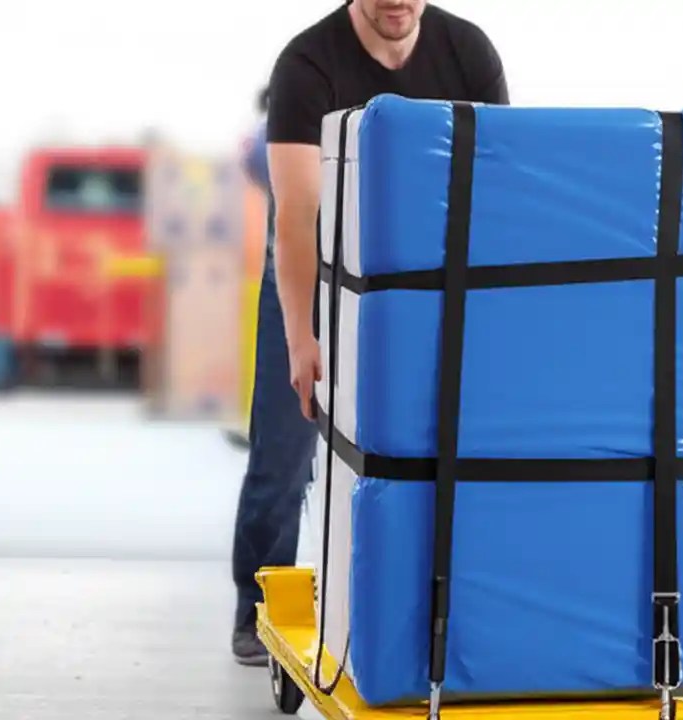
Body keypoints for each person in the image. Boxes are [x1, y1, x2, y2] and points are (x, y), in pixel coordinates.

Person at [230, 0, 508, 666]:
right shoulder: (307, 65)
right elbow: (295, 219)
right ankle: (256, 606)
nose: (398, 4)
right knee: (285, 455)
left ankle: (431, 600)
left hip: (422, 280)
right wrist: (301, 341)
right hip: (315, 274)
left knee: (435, 448)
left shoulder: (468, 53)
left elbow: (496, 184)